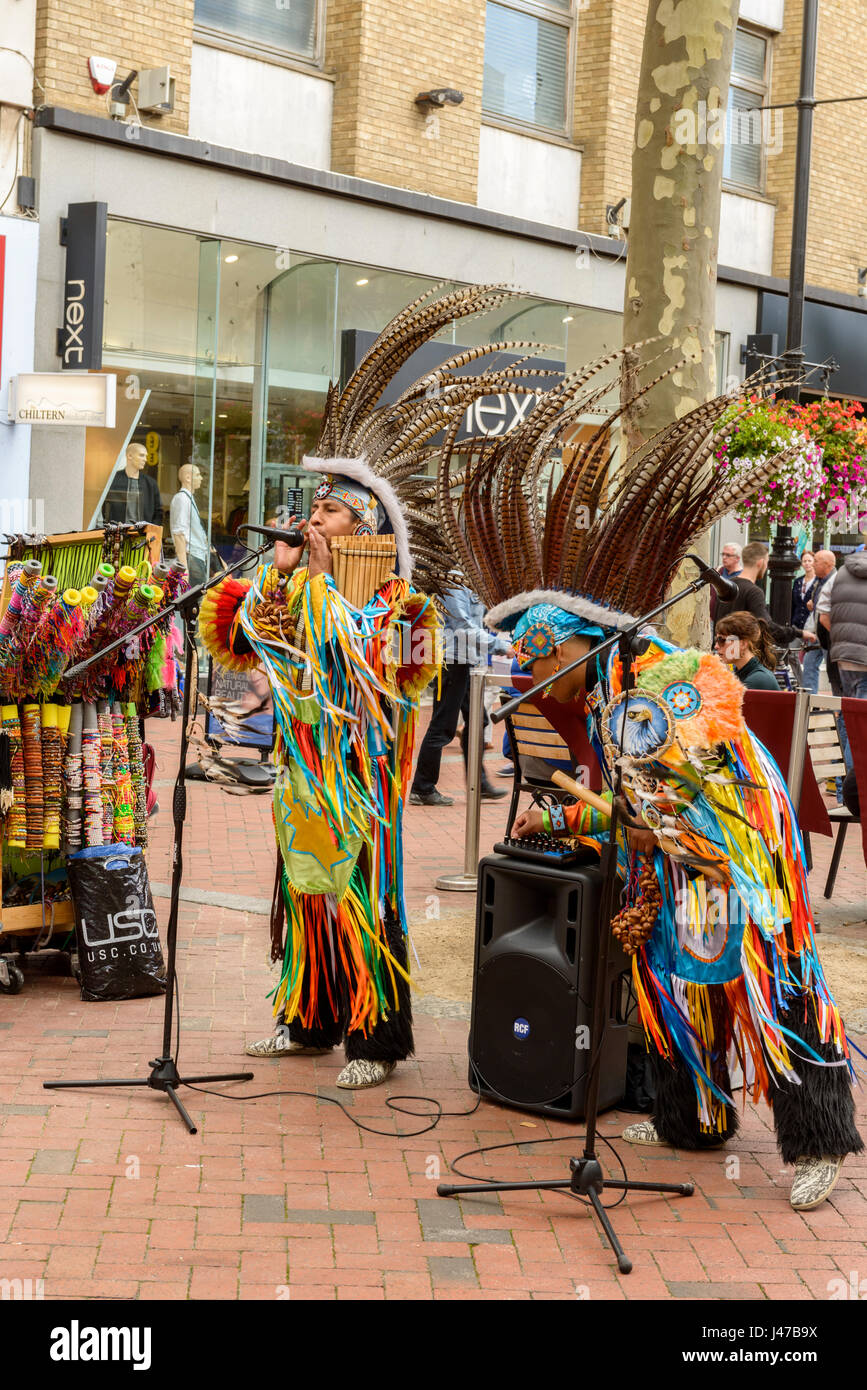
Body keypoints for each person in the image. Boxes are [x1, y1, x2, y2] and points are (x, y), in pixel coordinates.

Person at [433, 346, 862, 1211]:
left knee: (761, 978)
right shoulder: (601, 692)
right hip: (673, 859)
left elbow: (695, 773)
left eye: (535, 660)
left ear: (571, 644)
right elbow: (635, 803)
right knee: (671, 977)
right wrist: (584, 823)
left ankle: (817, 1141)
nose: (528, 679)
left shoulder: (663, 678)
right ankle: (688, 1119)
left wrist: (649, 827)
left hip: (733, 856)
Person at [199, 282, 536, 1088]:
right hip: (302, 776)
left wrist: (315, 590)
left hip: (361, 782)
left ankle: (376, 1039)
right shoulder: (293, 586)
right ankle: (308, 1017)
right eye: (310, 512)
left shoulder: (405, 605)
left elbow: (386, 677)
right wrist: (279, 579)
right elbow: (247, 647)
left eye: (331, 514)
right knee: (303, 892)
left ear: (371, 530)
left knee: (359, 896)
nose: (312, 523)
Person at [410, 584, 510, 806]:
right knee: (442, 726)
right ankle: (422, 787)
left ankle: (479, 783)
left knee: (478, 722)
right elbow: (462, 628)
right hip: (452, 663)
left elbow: (477, 622)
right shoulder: (452, 585)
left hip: (466, 662)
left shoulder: (467, 581)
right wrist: (500, 646)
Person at [713, 540, 814, 650]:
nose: (766, 567)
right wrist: (798, 633)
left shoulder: (728, 585)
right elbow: (767, 627)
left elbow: (717, 620)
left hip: (724, 651)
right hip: (739, 655)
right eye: (766, 562)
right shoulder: (753, 591)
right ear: (760, 563)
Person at [714, 612, 780, 690]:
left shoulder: (756, 680)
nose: (716, 646)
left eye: (721, 640)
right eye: (716, 640)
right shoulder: (742, 673)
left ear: (743, 644)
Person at [102, 442, 163, 525]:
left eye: (146, 456)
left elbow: (158, 512)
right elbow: (103, 507)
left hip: (143, 534)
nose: (145, 459)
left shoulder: (150, 484)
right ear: (129, 456)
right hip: (118, 532)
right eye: (141, 455)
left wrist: (152, 531)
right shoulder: (113, 480)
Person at [170, 464, 209, 588]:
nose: (201, 478)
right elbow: (178, 533)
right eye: (197, 475)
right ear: (188, 478)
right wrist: (184, 568)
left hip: (197, 556)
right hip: (191, 557)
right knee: (197, 600)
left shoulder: (188, 498)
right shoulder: (182, 499)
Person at [791, 550, 816, 630]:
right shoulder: (797, 581)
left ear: (814, 562)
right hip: (796, 626)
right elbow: (793, 604)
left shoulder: (819, 581)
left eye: (809, 561)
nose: (807, 563)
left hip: (812, 626)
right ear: (801, 564)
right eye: (804, 561)